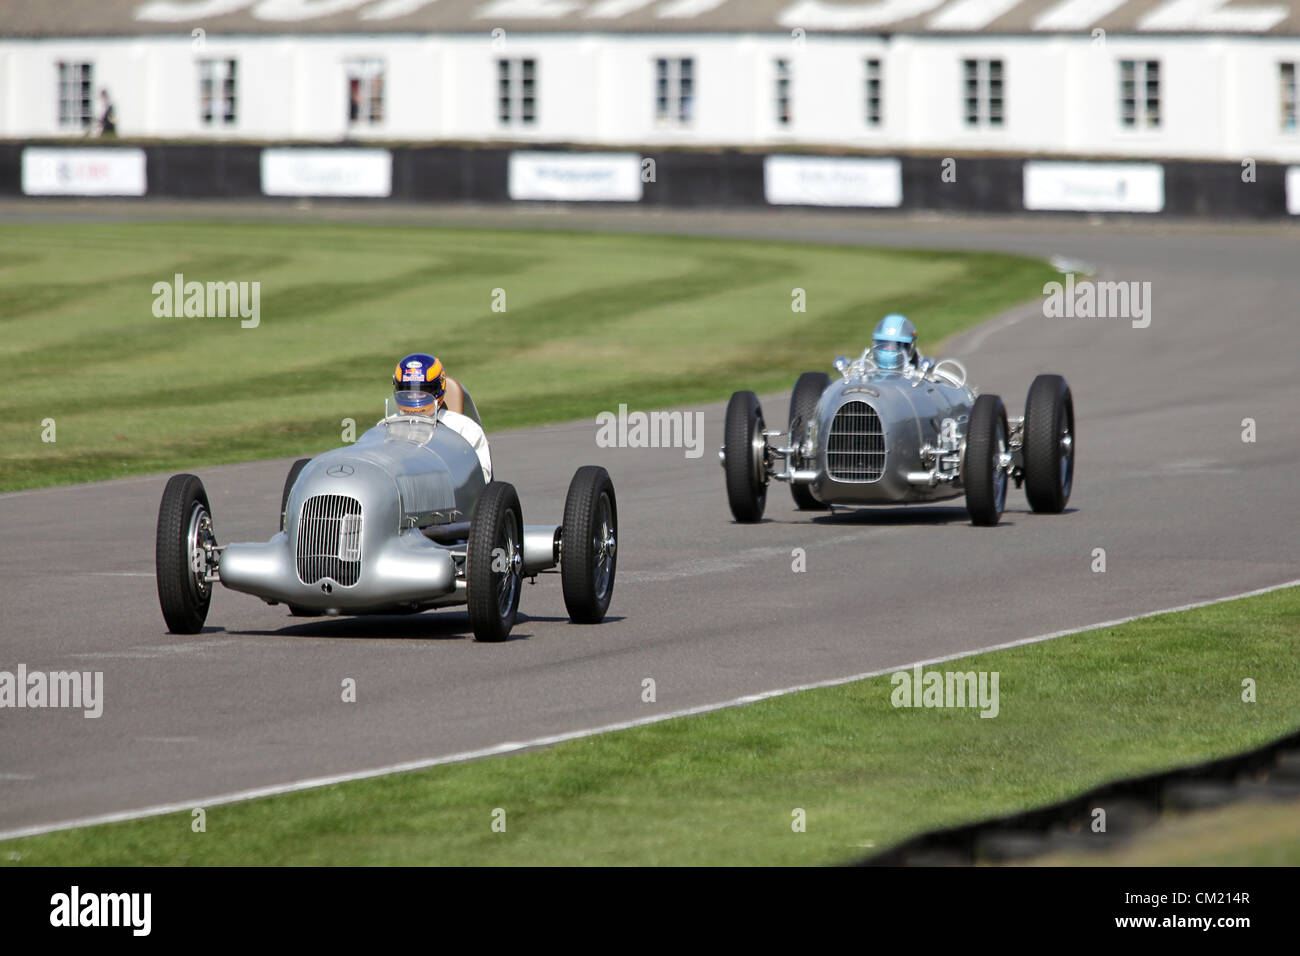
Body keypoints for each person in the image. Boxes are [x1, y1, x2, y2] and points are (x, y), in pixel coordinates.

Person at [392, 353, 491, 481]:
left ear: (439, 388)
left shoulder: (465, 429)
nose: (415, 397)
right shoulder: (386, 426)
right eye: (408, 390)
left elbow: (482, 480)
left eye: (424, 391)